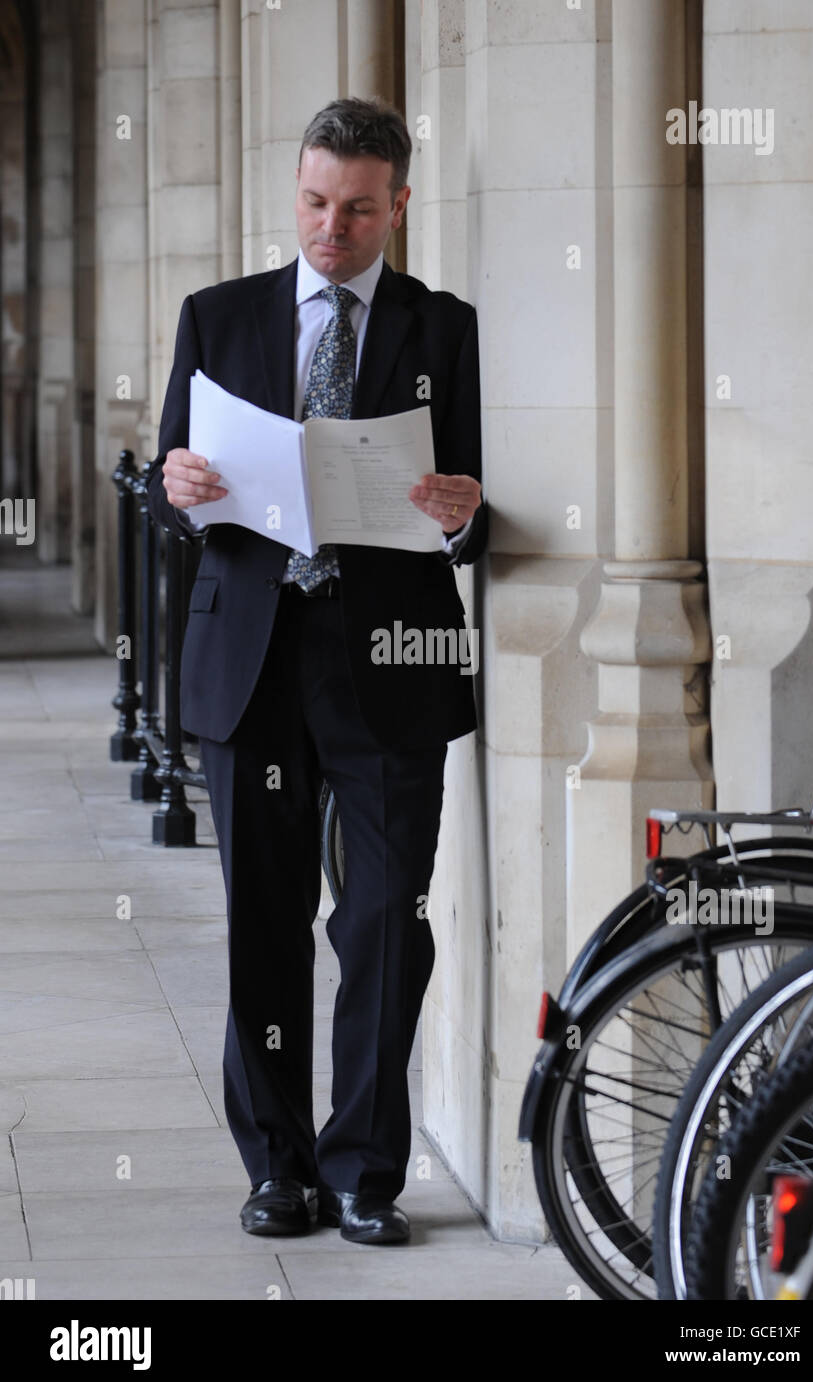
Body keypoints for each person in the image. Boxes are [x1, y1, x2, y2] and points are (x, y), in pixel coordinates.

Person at [145, 96, 487, 1246]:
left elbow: (475, 510)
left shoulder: (444, 331)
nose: (328, 228)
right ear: (293, 193)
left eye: (354, 208)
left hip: (391, 663)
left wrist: (461, 513)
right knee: (264, 922)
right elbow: (165, 477)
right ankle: (277, 1167)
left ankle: (364, 1171)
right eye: (311, 202)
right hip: (251, 661)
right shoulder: (219, 316)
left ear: (398, 203)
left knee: (388, 921)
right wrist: (179, 486)